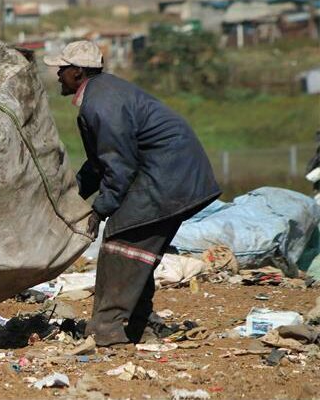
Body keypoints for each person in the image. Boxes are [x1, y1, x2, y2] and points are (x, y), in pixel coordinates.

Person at [44, 40, 221, 347]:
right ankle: (140, 324)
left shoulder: (101, 103)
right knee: (139, 248)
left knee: (120, 238)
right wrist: (69, 197)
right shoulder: (104, 93)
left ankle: (107, 328)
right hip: (174, 174)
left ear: (77, 72)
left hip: (170, 175)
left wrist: (101, 209)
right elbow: (100, 163)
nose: (58, 75)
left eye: (62, 69)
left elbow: (118, 163)